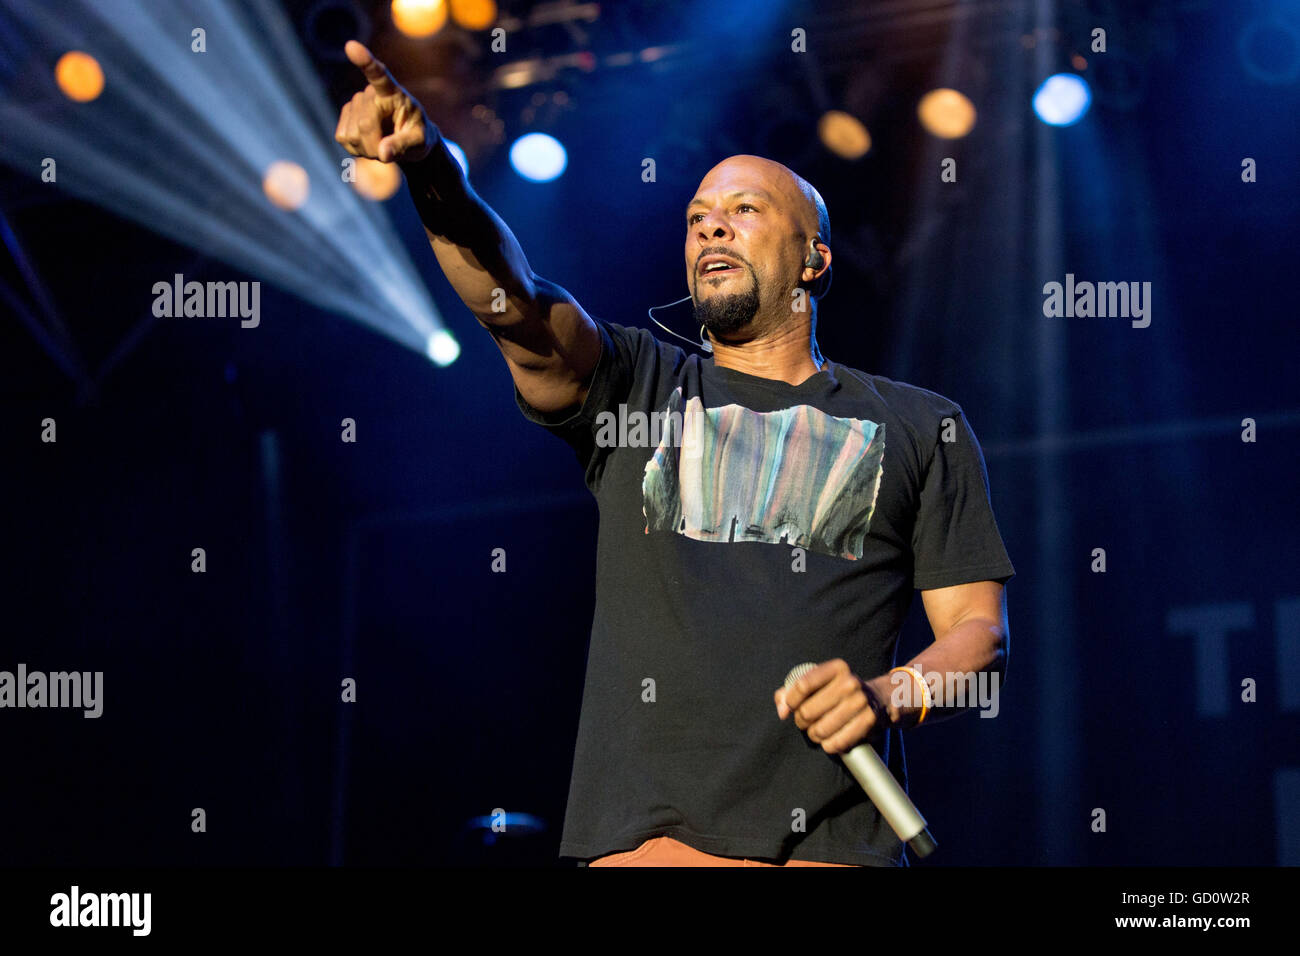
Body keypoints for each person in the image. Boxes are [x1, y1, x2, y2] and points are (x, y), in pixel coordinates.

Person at [335, 41, 1015, 867]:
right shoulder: (638, 387)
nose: (712, 225)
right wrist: (434, 175)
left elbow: (979, 637)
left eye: (745, 209)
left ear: (814, 258)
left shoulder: (919, 424)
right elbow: (514, 306)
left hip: (835, 851)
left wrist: (888, 694)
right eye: (697, 217)